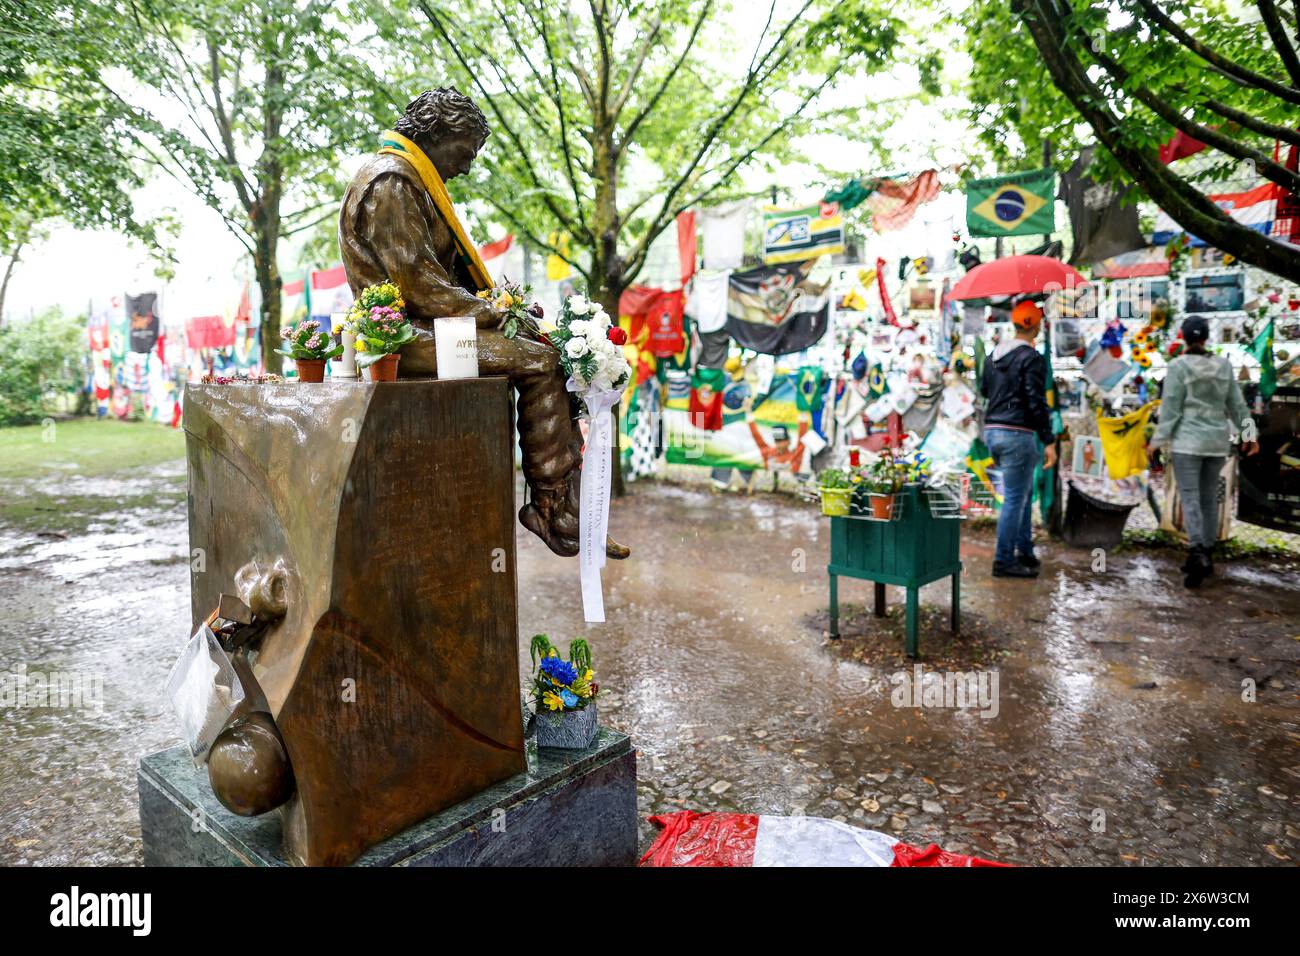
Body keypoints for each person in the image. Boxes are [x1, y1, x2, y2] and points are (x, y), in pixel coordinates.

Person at [339, 88, 627, 560]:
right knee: (540, 359)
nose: (467, 167)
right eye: (466, 152)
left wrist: (503, 309)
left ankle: (561, 497)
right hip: (402, 339)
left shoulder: (412, 180)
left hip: (429, 328)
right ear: (438, 135)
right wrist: (498, 311)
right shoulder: (391, 182)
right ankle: (552, 505)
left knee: (544, 345)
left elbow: (441, 284)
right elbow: (422, 289)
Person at [1149, 316, 1258, 587]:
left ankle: (1196, 551)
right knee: (1209, 499)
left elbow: (1171, 409)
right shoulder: (1223, 365)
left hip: (1187, 443)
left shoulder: (1178, 366)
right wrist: (1249, 435)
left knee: (1190, 497)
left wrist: (1156, 441)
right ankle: (1207, 552)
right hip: (1216, 443)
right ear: (1207, 337)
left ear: (1182, 337)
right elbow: (1237, 405)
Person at [980, 299, 1056, 578]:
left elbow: (985, 390)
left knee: (1021, 493)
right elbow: (1036, 402)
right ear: (1036, 326)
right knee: (1014, 497)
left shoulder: (993, 356)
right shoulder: (1031, 358)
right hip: (1017, 435)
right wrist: (1048, 440)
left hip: (993, 432)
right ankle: (1003, 560)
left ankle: (1024, 550)